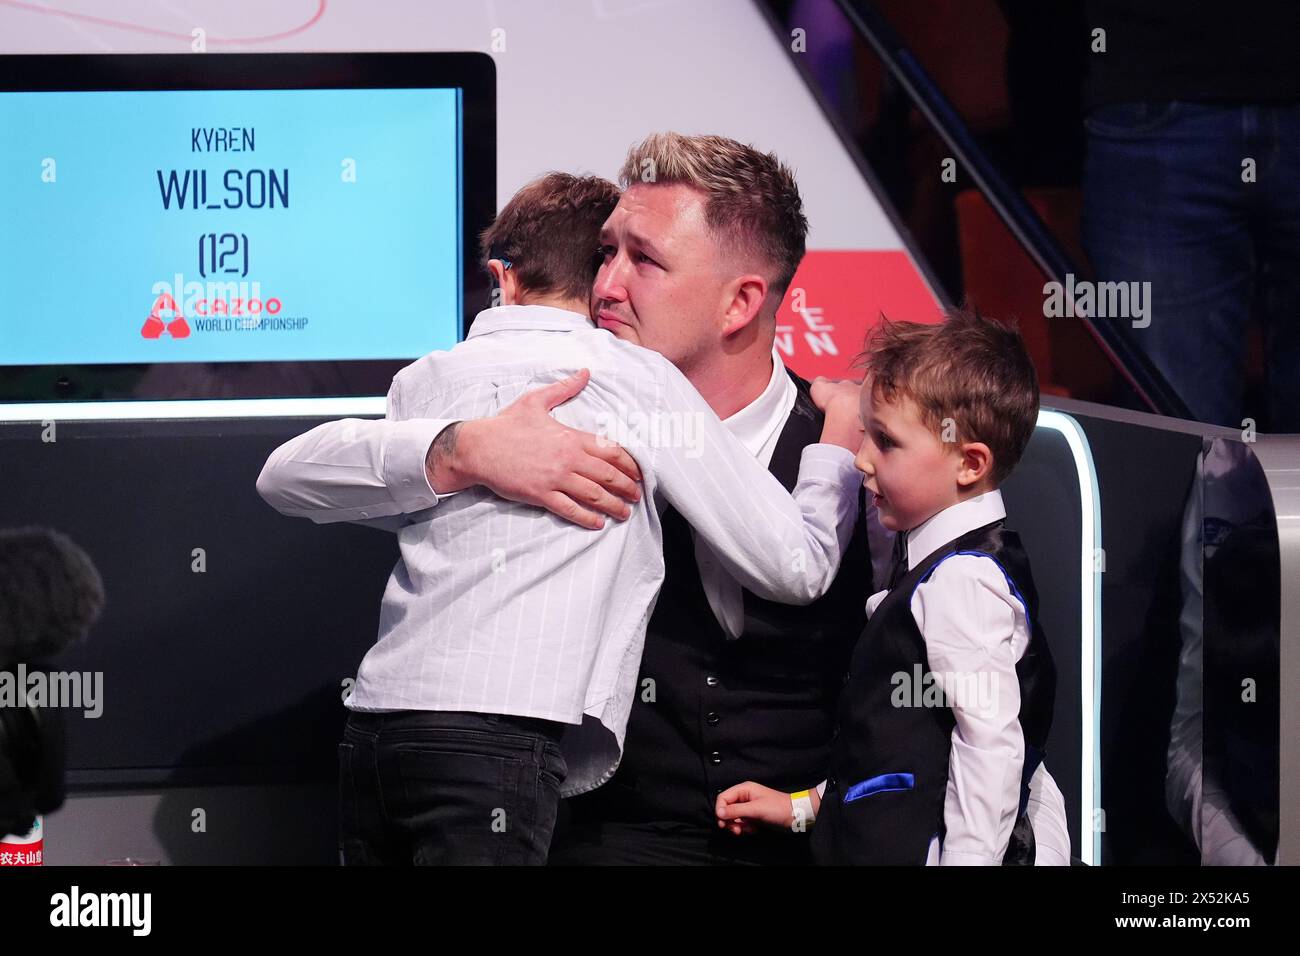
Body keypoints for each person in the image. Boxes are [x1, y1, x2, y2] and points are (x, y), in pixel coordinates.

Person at [256, 170, 867, 865]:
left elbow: (284, 476)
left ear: (501, 277)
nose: (614, 286)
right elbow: (800, 563)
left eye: (642, 259)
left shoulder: (430, 375)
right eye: (609, 257)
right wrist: (468, 449)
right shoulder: (630, 378)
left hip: (377, 726)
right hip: (535, 775)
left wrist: (452, 448)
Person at [716, 310, 1071, 865]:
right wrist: (803, 809)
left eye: (886, 442)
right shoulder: (932, 567)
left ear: (969, 463)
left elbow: (990, 753)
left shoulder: (961, 581)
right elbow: (897, 756)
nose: (861, 459)